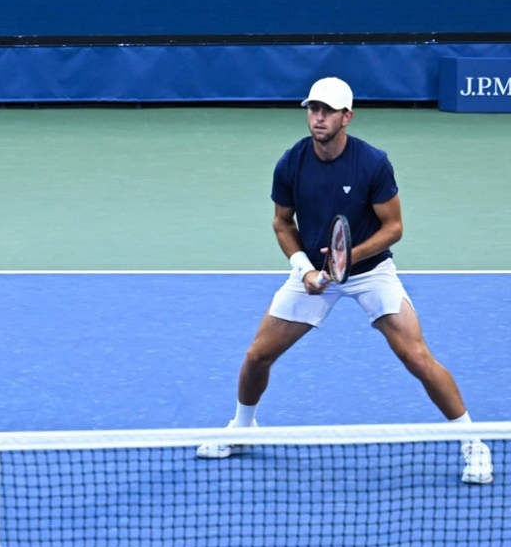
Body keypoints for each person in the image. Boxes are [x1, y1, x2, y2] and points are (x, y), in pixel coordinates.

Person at [196, 76, 493, 485]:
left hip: (370, 272)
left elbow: (394, 228)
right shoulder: (291, 162)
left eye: (327, 111)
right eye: (313, 109)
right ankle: (242, 429)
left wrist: (346, 259)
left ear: (346, 117)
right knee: (256, 357)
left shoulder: (372, 162)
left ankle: (473, 441)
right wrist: (305, 269)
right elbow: (282, 223)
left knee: (416, 356)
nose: (317, 118)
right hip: (316, 274)